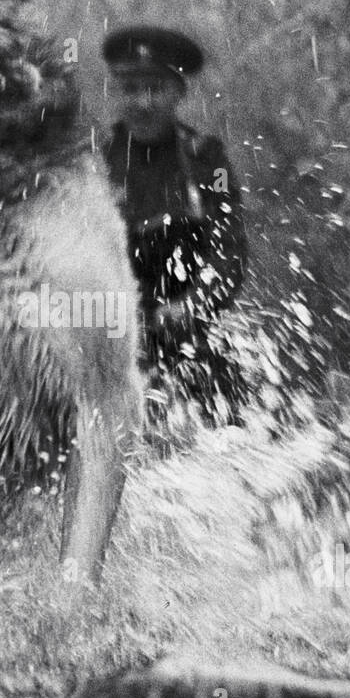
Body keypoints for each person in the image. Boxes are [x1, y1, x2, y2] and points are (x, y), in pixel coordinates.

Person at [101, 26, 248, 419]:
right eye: (131, 88)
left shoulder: (204, 160)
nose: (143, 102)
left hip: (191, 329)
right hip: (115, 336)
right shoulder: (94, 163)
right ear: (115, 92)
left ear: (178, 92)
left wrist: (193, 306)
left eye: (155, 88)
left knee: (227, 425)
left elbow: (229, 253)